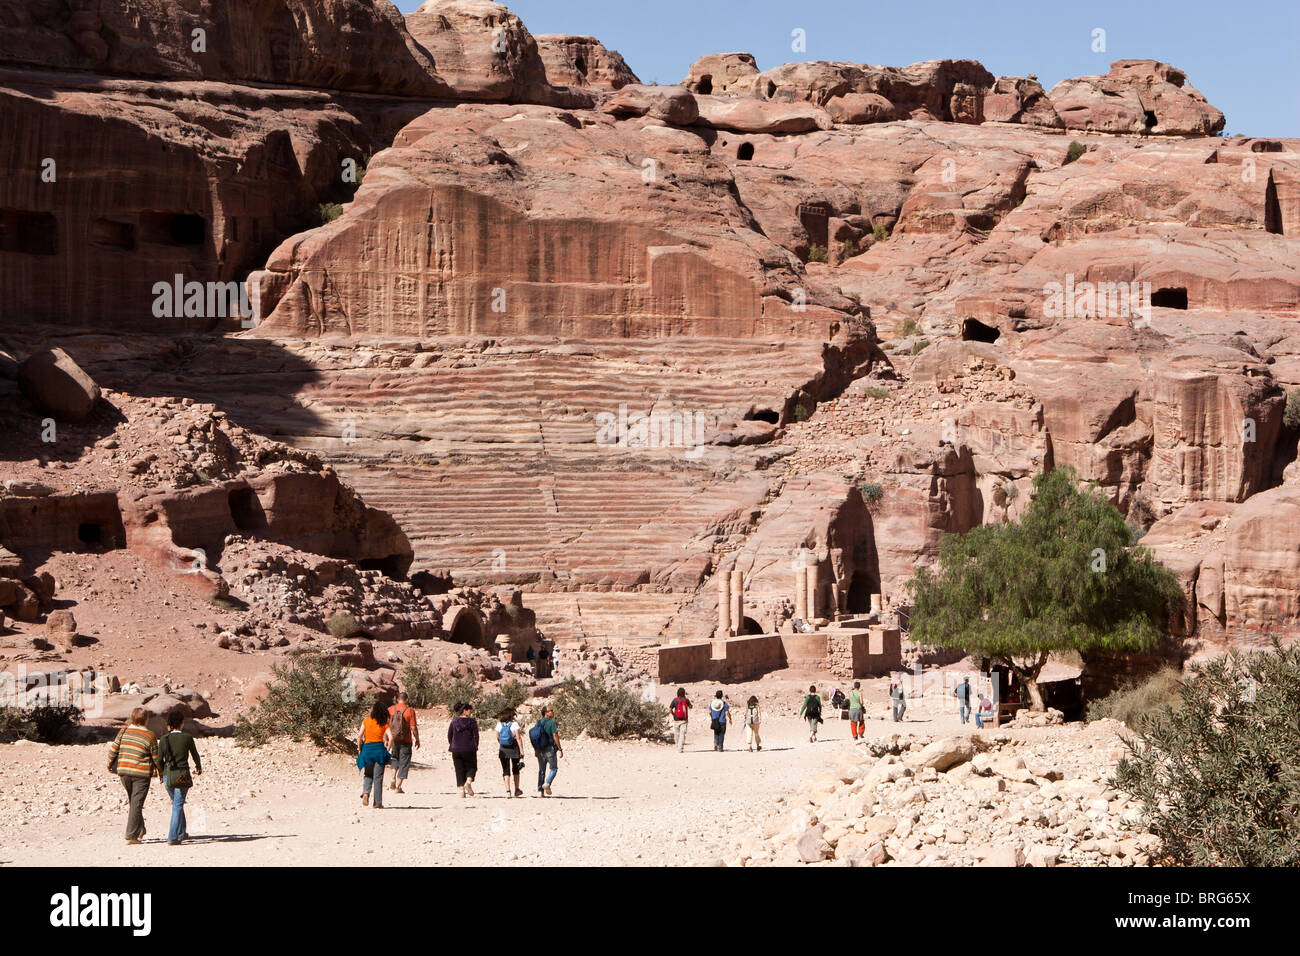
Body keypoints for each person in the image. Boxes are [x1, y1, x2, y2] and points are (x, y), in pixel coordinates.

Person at [107, 707, 159, 845]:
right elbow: (156, 757)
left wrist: (109, 764)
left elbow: (113, 750)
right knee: (136, 803)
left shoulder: (123, 731)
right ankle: (131, 836)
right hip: (141, 774)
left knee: (134, 802)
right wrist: (161, 771)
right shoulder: (150, 735)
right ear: (146, 719)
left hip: (124, 771)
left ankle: (140, 829)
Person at [157, 708, 202, 846]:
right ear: (182, 723)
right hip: (182, 775)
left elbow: (159, 760)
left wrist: (161, 773)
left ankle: (182, 832)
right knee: (178, 805)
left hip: (168, 776)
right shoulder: (187, 738)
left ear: (169, 724)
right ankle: (173, 836)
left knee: (177, 803)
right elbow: (195, 755)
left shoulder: (164, 739)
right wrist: (198, 767)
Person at [356, 700, 392, 808]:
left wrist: (359, 749)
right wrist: (387, 750)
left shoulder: (366, 721)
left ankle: (366, 793)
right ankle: (377, 803)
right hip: (379, 751)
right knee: (378, 777)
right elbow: (391, 738)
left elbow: (359, 736)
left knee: (368, 774)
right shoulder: (384, 724)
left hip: (367, 750)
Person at [387, 691, 420, 794]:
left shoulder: (390, 709)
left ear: (397, 699)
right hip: (406, 740)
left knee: (395, 759)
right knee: (404, 763)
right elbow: (413, 727)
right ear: (407, 700)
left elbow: (386, 726)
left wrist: (387, 739)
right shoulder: (410, 710)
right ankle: (398, 787)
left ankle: (393, 778)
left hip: (394, 739)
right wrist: (417, 739)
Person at [447, 701, 479, 797]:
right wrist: (475, 746)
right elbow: (476, 736)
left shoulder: (454, 721)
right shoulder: (472, 722)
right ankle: (468, 782)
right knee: (472, 767)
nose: (471, 713)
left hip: (456, 749)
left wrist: (453, 744)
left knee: (459, 769)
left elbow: (449, 735)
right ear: (465, 711)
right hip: (469, 748)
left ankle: (461, 790)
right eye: (470, 711)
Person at [529, 704, 563, 796]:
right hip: (549, 749)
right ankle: (547, 783)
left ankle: (541, 791)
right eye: (551, 710)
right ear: (546, 713)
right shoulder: (552, 723)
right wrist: (560, 748)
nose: (552, 712)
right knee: (554, 768)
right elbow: (555, 735)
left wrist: (536, 749)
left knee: (542, 770)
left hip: (540, 749)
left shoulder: (539, 722)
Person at [495, 707, 525, 797]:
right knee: (516, 769)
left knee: (506, 770)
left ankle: (508, 791)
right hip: (514, 749)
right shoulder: (514, 724)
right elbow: (518, 737)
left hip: (503, 749)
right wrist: (521, 750)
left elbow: (497, 737)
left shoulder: (499, 724)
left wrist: (503, 743)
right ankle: (516, 789)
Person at [670, 687, 691, 752]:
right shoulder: (686, 700)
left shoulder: (675, 700)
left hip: (676, 720)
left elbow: (670, 709)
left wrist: (673, 714)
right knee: (682, 734)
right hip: (684, 720)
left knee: (676, 734)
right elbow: (690, 706)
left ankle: (677, 746)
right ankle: (680, 748)